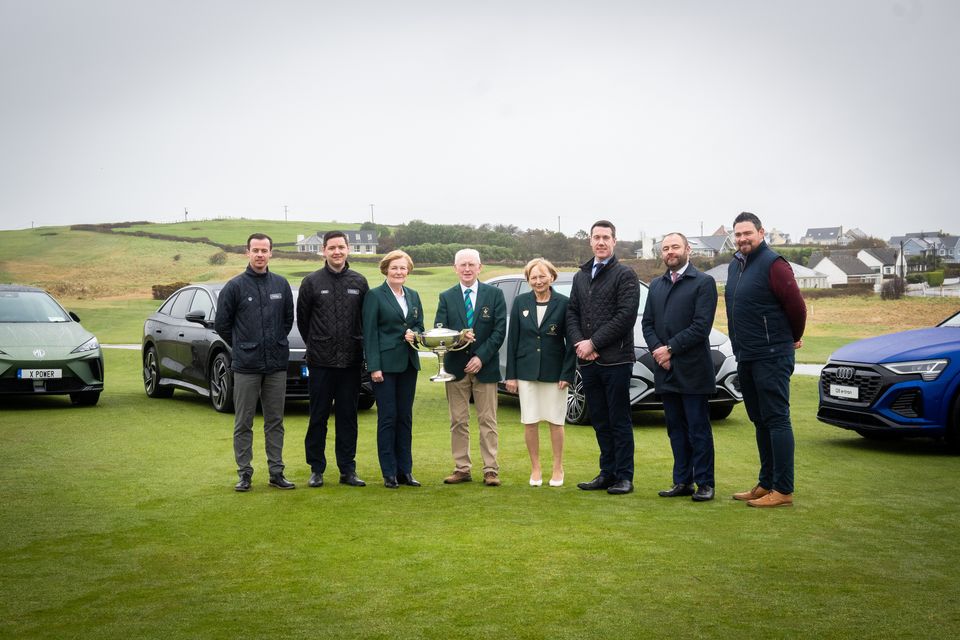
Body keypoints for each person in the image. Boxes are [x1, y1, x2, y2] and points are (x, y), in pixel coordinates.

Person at [726, 212, 806, 508]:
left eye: (748, 233)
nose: (743, 239)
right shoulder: (738, 265)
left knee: (776, 419)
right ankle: (766, 482)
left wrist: (792, 336)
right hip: (746, 355)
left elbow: (796, 306)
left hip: (771, 355)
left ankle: (783, 490)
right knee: (759, 420)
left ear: (761, 232)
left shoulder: (775, 264)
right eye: (738, 234)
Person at [215, 233, 295, 492]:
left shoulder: (281, 285)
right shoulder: (234, 287)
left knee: (275, 421)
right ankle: (245, 473)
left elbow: (286, 321)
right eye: (255, 250)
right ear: (247, 253)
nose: (260, 255)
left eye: (264, 250)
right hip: (246, 365)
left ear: (271, 253)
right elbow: (223, 326)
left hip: (276, 365)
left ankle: (276, 472)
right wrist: (243, 345)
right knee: (244, 421)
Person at [641, 232, 718, 502]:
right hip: (666, 370)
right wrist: (659, 351)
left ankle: (705, 483)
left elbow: (701, 326)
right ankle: (682, 481)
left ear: (688, 250)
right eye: (665, 248)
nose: (670, 252)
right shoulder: (656, 285)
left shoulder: (704, 283)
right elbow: (647, 324)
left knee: (698, 429)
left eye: (675, 247)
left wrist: (670, 348)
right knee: (675, 429)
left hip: (693, 370)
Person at [567, 220, 640, 495]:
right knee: (599, 419)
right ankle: (607, 472)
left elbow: (625, 316)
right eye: (596, 237)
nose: (601, 242)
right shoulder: (581, 276)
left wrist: (594, 342)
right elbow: (572, 312)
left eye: (605, 237)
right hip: (588, 361)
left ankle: (624, 476)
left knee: (619, 419)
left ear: (614, 241)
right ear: (590, 241)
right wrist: (580, 343)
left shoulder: (625, 275)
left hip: (617, 360)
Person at [297, 230, 370, 489]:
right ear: (323, 251)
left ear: (348, 249)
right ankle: (316, 469)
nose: (337, 252)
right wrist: (319, 345)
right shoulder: (311, 282)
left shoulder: (359, 282)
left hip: (351, 363)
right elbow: (304, 322)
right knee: (318, 417)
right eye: (332, 248)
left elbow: (365, 321)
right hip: (320, 363)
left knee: (348, 417)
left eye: (341, 247)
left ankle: (347, 470)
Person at [435, 248, 507, 486]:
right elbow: (440, 331)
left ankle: (490, 470)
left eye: (471, 265)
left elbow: (499, 331)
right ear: (455, 268)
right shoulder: (446, 296)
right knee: (458, 420)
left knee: (488, 420)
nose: (467, 269)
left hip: (484, 368)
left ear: (480, 267)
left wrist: (481, 357)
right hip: (455, 369)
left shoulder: (494, 295)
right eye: (462, 265)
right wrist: (458, 338)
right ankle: (462, 468)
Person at [504, 258, 575, 487]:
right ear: (528, 280)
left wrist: (567, 374)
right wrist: (511, 375)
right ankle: (536, 468)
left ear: (552, 277)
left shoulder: (564, 303)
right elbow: (513, 340)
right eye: (533, 277)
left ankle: (557, 467)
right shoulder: (520, 302)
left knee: (556, 421)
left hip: (555, 374)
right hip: (526, 373)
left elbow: (572, 341)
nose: (538, 281)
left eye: (542, 276)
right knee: (530, 421)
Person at [362, 250, 424, 489]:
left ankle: (405, 471)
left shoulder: (414, 295)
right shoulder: (375, 296)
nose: (399, 272)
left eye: (403, 268)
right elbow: (370, 334)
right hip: (385, 367)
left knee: (405, 418)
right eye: (395, 268)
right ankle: (389, 472)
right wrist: (374, 367)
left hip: (408, 363)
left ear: (408, 271)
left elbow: (418, 324)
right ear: (386, 269)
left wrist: (415, 333)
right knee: (388, 418)